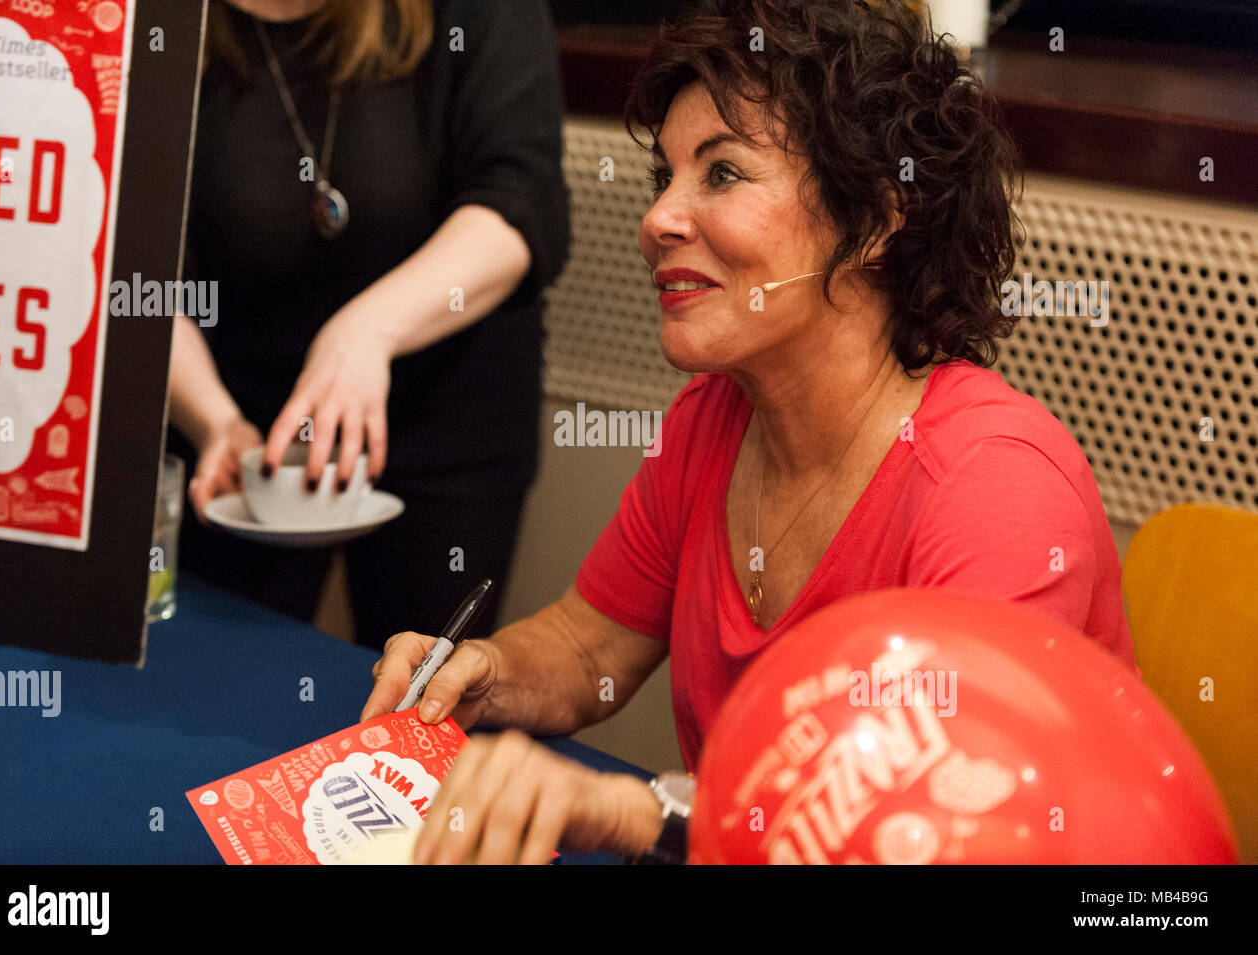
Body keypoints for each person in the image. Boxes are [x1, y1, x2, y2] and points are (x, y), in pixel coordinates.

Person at [362, 0, 1139, 864]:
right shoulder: (714, 419)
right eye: (665, 179)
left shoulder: (1000, 491)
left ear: (879, 219)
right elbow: (588, 644)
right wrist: (485, 674)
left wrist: (634, 812)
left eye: (722, 173)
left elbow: (922, 824)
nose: (657, 221)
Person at [166, 0, 570, 646]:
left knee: (421, 709)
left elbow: (520, 201)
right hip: (244, 422)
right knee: (223, 683)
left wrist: (365, 333)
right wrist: (215, 420)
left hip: (447, 415)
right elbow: (137, 268)